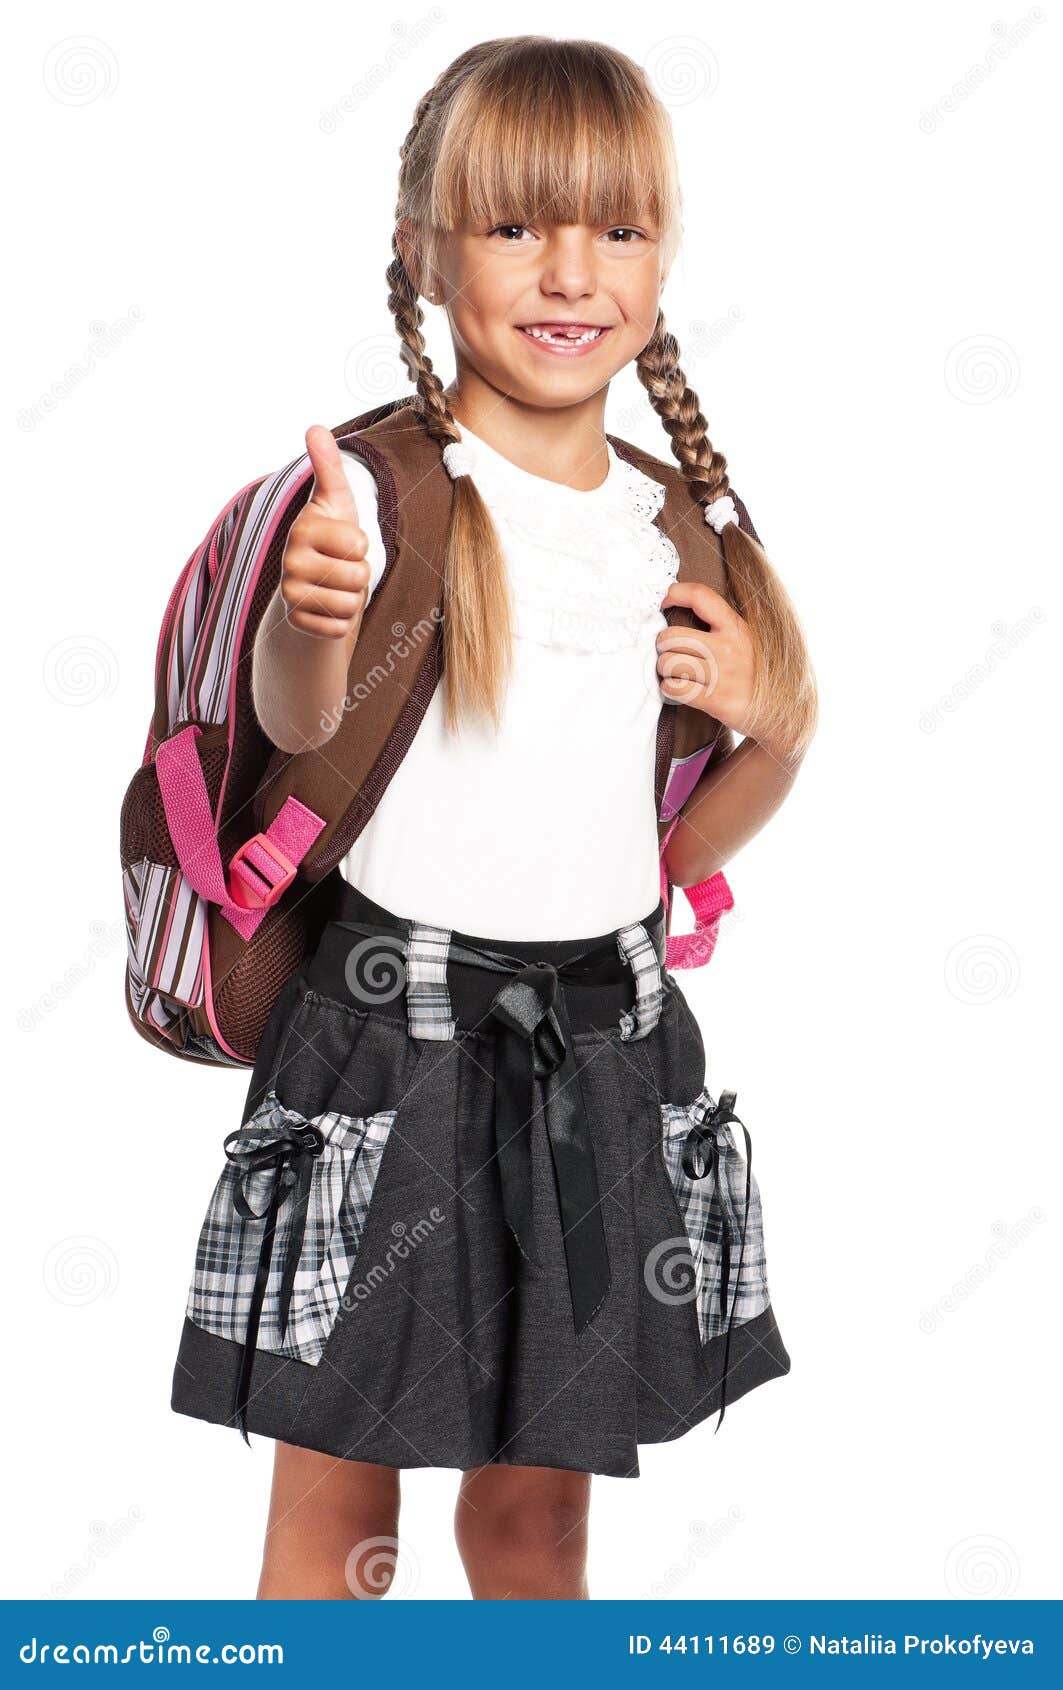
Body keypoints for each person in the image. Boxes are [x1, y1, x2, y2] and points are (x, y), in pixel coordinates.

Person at [171, 34, 816, 1601]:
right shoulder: (381, 495)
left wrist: (778, 731)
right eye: (517, 224)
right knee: (341, 1521)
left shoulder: (676, 519)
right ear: (422, 251)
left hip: (602, 1049)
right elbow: (296, 722)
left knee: (539, 1527)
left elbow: (676, 852)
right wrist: (308, 620)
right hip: (389, 1046)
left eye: (616, 225)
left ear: (663, 255)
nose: (570, 270)